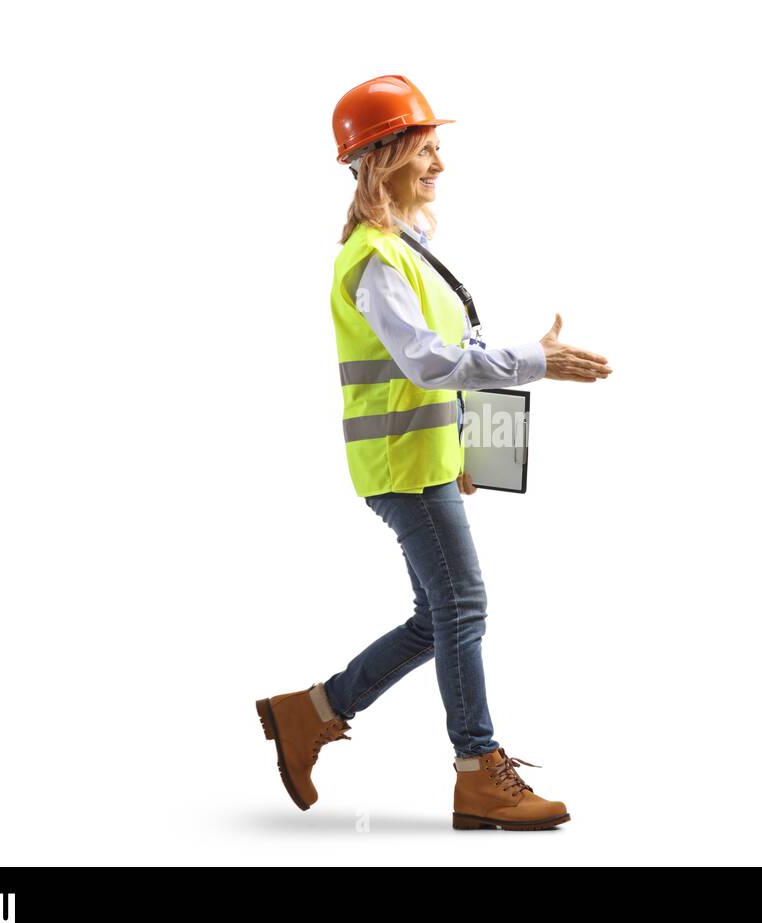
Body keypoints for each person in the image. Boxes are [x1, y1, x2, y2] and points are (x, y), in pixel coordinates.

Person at [255, 75, 612, 831]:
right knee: (464, 605)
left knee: (438, 613)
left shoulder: (411, 249)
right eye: (427, 149)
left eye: (439, 148)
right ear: (383, 156)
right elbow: (424, 361)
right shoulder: (376, 258)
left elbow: (451, 351)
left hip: (422, 461)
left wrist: (475, 434)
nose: (440, 163)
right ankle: (478, 770)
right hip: (399, 469)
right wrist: (534, 363)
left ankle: (310, 713)